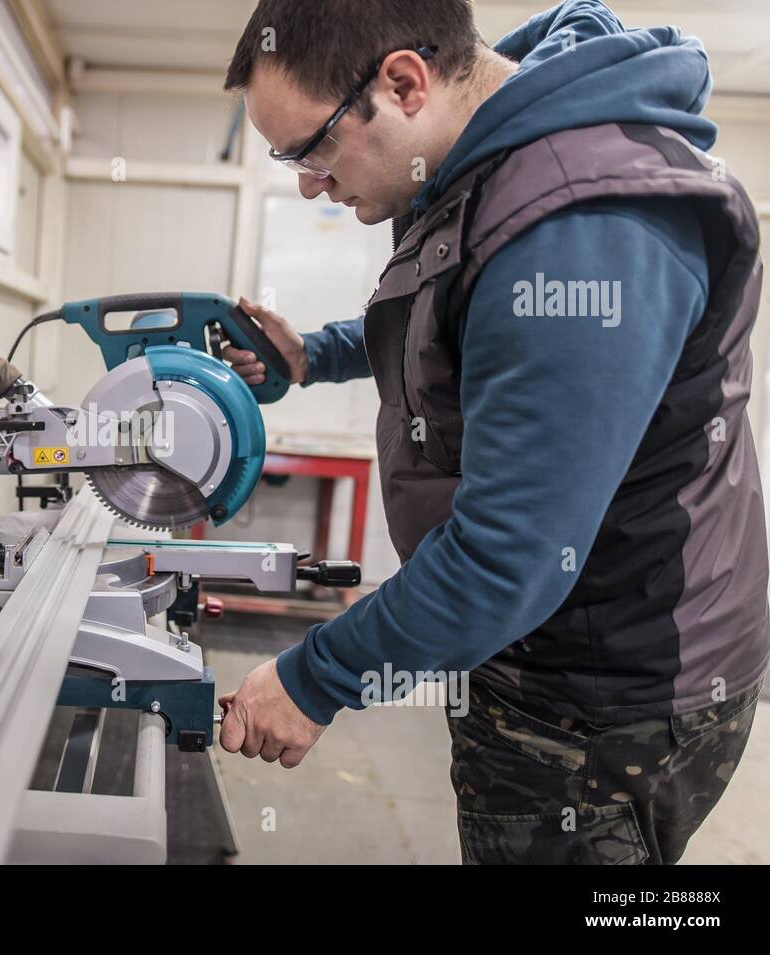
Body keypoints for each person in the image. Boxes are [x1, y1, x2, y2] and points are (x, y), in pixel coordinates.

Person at [215, 0, 767, 864]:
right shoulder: (491, 161)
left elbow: (505, 559)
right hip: (558, 646)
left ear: (403, 83)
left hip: (602, 697)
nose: (305, 183)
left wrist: (314, 677)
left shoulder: (579, 227)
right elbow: (469, 323)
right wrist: (310, 358)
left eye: (309, 148)